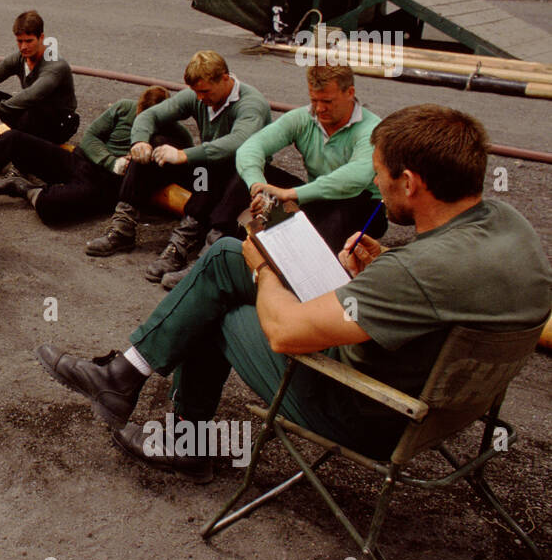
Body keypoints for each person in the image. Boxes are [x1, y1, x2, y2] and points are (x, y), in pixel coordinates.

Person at [37, 104, 552, 482]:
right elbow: (435, 293)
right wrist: (382, 267)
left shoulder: (423, 270)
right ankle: (124, 377)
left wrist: (263, 269)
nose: (377, 187)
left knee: (219, 294)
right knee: (222, 260)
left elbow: (284, 334)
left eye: (379, 178)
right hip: (445, 408)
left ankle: (173, 427)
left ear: (411, 182)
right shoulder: (508, 227)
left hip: (365, 410)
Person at [84, 51, 271, 286]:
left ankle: (203, 255)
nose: (200, 98)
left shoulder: (251, 104)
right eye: (196, 92)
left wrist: (183, 155)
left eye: (205, 92)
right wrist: (140, 141)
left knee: (235, 169)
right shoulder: (200, 95)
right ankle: (123, 227)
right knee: (156, 144)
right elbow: (150, 115)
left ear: (225, 79)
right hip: (209, 170)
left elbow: (236, 144)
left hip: (241, 177)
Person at [218, 62, 384, 257]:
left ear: (350, 92)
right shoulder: (304, 117)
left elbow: (354, 179)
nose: (320, 109)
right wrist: (258, 187)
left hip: (363, 205)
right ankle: (219, 246)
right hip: (316, 198)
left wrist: (290, 194)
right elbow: (251, 148)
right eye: (314, 100)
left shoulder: (372, 128)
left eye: (328, 101)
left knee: (342, 211)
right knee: (244, 173)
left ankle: (311, 269)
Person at [0, 86, 191, 226]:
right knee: (13, 138)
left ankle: (23, 188)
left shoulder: (175, 134)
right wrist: (112, 161)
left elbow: (185, 163)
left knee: (52, 207)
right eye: (142, 116)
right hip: (81, 161)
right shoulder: (124, 108)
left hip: (102, 186)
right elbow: (90, 137)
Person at [0, 10, 79, 143]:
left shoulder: (55, 65)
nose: (23, 47)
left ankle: (2, 148)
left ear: (41, 38)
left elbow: (32, 95)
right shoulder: (20, 58)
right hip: (31, 112)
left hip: (59, 121)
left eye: (29, 41)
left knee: (27, 115)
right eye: (19, 41)